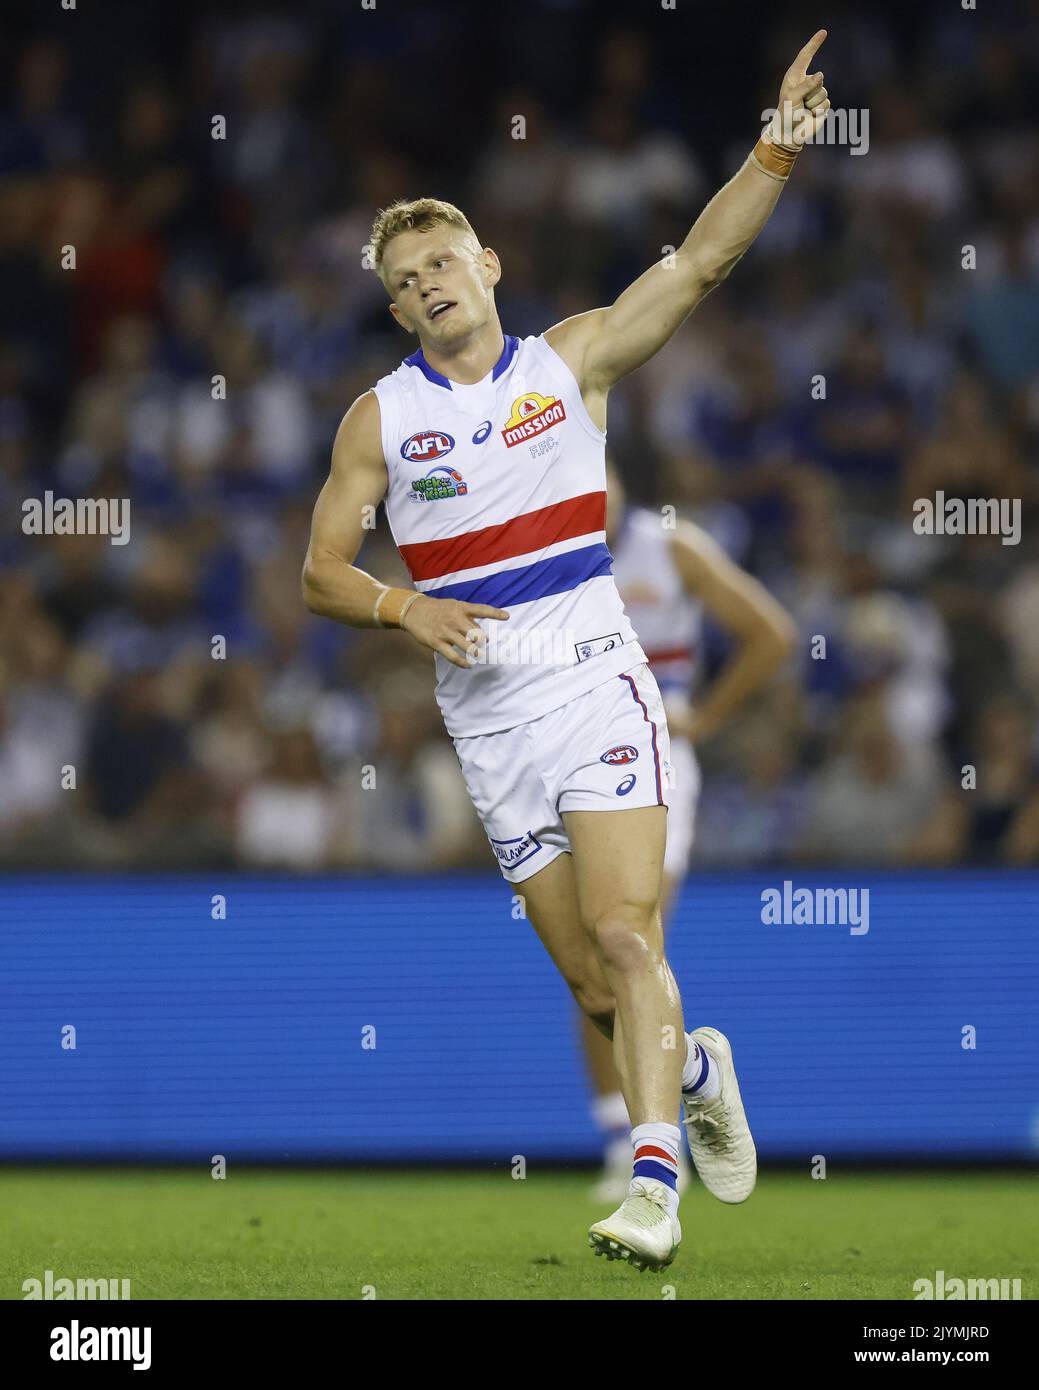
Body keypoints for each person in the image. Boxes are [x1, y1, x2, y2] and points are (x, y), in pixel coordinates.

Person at [302, 31, 831, 1271]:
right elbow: (319, 573)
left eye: (444, 258)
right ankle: (694, 1065)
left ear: (487, 264)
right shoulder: (380, 419)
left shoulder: (570, 359)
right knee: (597, 985)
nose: (430, 282)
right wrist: (400, 609)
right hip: (486, 717)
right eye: (406, 276)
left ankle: (652, 1190)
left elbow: (700, 263)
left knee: (633, 932)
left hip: (595, 673)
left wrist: (774, 148)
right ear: (393, 308)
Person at [585, 461, 794, 1202]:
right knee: (588, 969)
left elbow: (769, 632)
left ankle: (648, 1149)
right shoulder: (542, 558)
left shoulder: (671, 547)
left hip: (655, 763)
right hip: (569, 762)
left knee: (630, 945)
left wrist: (702, 717)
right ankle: (641, 1120)